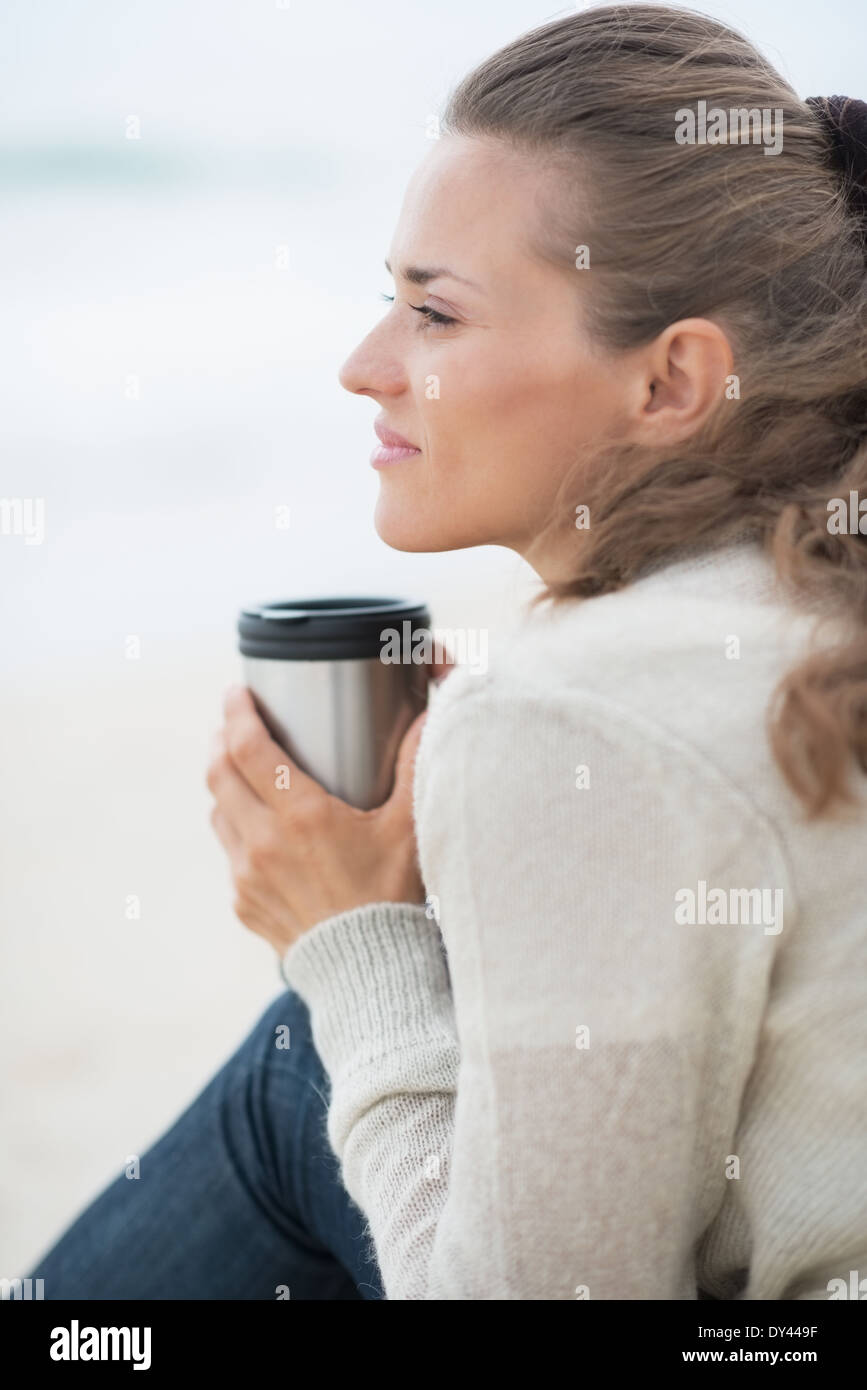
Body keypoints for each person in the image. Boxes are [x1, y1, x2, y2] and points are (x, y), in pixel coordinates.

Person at [26, 5, 867, 1300]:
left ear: (671, 383)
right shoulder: (818, 605)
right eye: (388, 298)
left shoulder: (576, 719)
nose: (364, 367)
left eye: (435, 313)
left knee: (312, 1059)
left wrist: (353, 937)